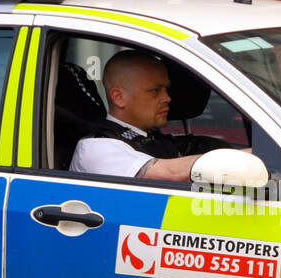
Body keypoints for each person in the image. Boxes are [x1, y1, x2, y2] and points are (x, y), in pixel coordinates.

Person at [71, 51, 233, 181]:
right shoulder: (97, 147)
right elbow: (171, 173)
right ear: (119, 97)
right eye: (155, 91)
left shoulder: (153, 140)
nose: (167, 98)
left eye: (166, 89)